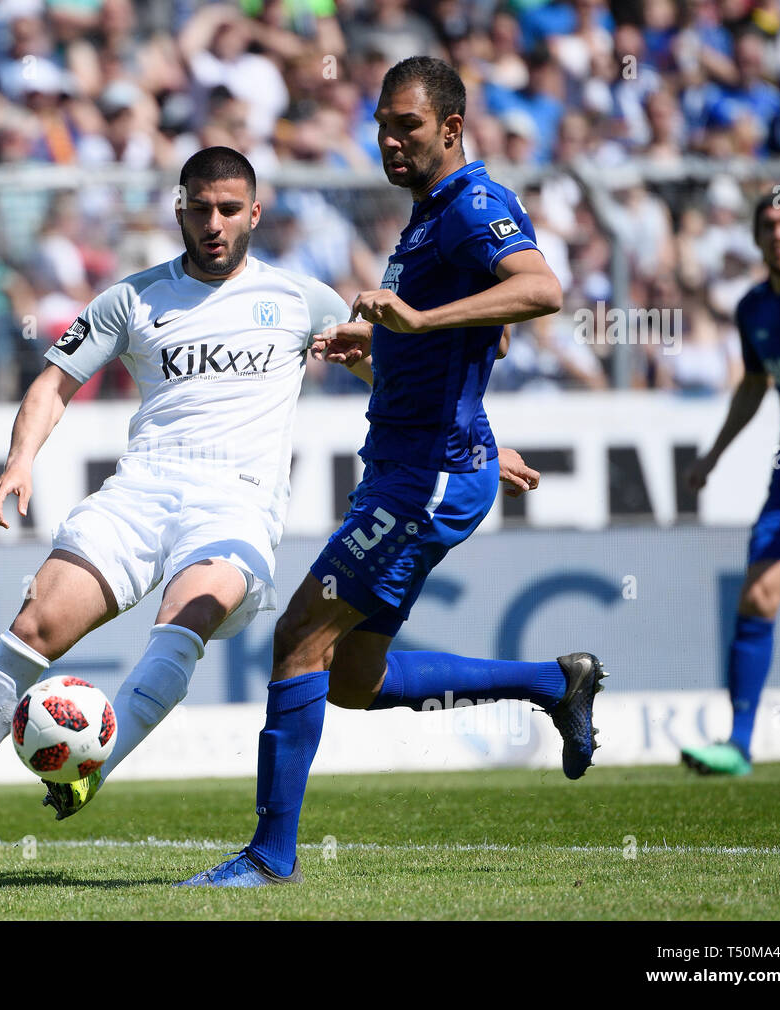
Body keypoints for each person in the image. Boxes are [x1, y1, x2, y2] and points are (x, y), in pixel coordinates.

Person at [0, 144, 543, 871]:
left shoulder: (302, 299)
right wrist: (21, 461)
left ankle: (99, 764)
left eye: (229, 209)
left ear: (254, 212)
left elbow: (402, 375)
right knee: (36, 625)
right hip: (140, 491)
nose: (214, 223)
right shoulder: (132, 298)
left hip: (237, 506)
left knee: (182, 617)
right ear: (180, 210)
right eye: (201, 208)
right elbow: (51, 385)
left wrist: (473, 447)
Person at [179, 56, 606, 888]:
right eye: (381, 124)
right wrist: (384, 346)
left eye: (406, 124)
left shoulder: (471, 204)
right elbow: (486, 341)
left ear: (450, 127)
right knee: (349, 678)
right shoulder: (427, 219)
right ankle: (556, 683)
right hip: (425, 465)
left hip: (427, 476)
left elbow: (539, 290)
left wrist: (416, 320)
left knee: (299, 636)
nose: (389, 139)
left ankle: (269, 858)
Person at [682, 192, 780, 776]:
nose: (778, 233)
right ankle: (738, 747)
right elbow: (754, 384)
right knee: (758, 595)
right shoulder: (753, 309)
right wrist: (715, 454)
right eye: (767, 224)